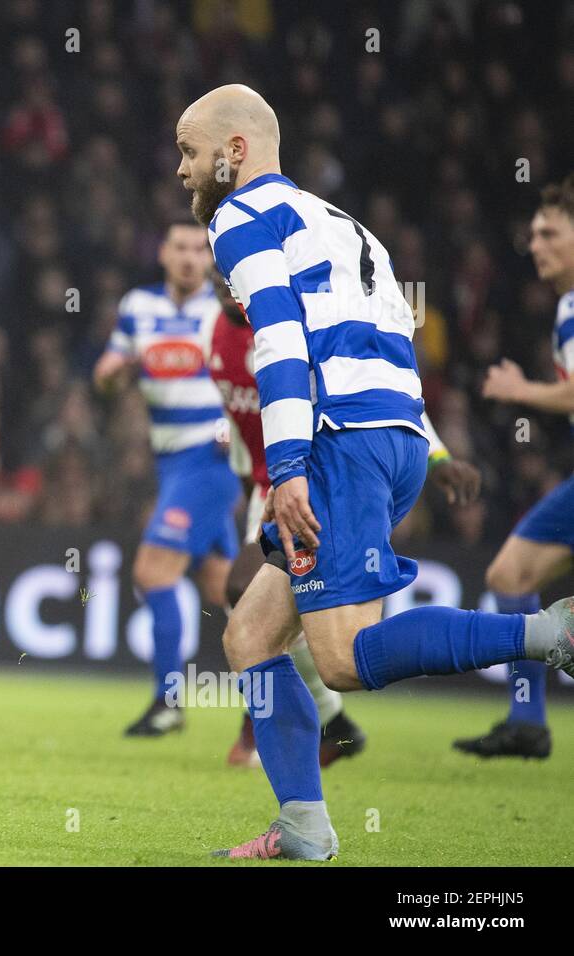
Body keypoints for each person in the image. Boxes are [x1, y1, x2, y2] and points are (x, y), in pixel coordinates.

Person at [176, 83, 574, 860]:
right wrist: (428, 447)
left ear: (235, 152)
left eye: (189, 152)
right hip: (391, 437)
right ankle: (303, 827)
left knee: (345, 660)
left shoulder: (241, 218)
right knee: (253, 636)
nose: (183, 172)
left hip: (335, 444)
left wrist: (287, 463)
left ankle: (548, 631)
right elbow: (390, 341)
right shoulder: (345, 225)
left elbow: (283, 342)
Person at [206, 266, 482, 768]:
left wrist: (437, 458)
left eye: (232, 274)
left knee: (277, 618)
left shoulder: (299, 321)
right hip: (270, 486)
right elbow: (239, 419)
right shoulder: (219, 334)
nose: (225, 283)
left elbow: (378, 388)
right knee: (256, 615)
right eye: (217, 272)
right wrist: (248, 488)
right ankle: (325, 729)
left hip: (320, 478)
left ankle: (298, 726)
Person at [93, 222, 239, 737]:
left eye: (200, 249)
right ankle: (291, 708)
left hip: (211, 459)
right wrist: (113, 374)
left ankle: (167, 702)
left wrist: (237, 423)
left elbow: (256, 372)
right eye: (180, 247)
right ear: (162, 251)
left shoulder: (225, 307)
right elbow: (108, 369)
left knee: (153, 573)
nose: (190, 258)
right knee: (229, 592)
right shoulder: (138, 306)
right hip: (171, 461)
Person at [455, 173, 574, 760]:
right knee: (509, 576)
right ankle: (527, 722)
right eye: (531, 233)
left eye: (550, 232)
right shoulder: (566, 306)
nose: (536, 244)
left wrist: (519, 389)